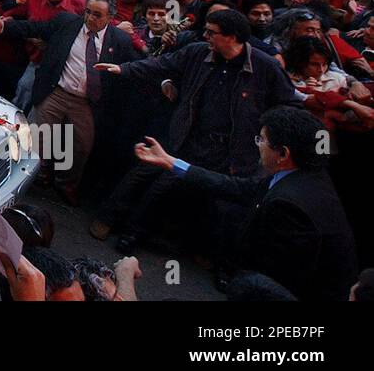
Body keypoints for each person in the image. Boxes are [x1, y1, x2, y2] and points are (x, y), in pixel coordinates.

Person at [94, 8, 300, 253]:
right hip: (190, 138)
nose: (206, 36)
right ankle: (132, 233)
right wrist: (124, 69)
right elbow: (161, 64)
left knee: (223, 204)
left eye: (212, 33)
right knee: (162, 188)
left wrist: (268, 131)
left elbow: (290, 103)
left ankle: (215, 260)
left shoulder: (265, 67)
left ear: (232, 37)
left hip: (231, 150)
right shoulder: (198, 53)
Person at [133, 107, 358, 301]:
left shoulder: (288, 207)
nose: (258, 145)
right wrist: (171, 162)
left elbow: (279, 284)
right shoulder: (306, 175)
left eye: (262, 140)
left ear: (283, 153)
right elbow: (236, 187)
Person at [0, 0, 140, 205]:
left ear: (110, 17)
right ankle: (25, 176)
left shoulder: (119, 40)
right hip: (55, 91)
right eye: (88, 12)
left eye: (97, 15)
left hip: (87, 102)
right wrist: (6, 27)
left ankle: (66, 184)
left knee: (81, 147)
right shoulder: (67, 22)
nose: (90, 18)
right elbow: (36, 28)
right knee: (35, 139)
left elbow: (135, 66)